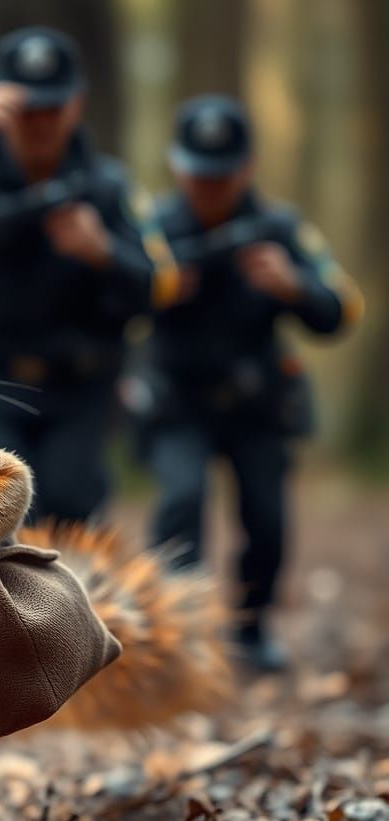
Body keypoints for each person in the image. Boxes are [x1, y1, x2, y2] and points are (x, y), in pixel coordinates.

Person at [0, 26, 175, 521]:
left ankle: (64, 602)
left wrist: (104, 252)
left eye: (51, 108)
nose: (39, 124)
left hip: (79, 390)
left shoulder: (107, 185)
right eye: (24, 110)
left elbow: (158, 287)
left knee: (71, 508)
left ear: (75, 104)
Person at [140, 95, 363, 672]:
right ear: (176, 165)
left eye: (220, 174)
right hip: (177, 400)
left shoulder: (279, 228)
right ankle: (181, 633)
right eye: (196, 173)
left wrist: (293, 286)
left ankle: (252, 629)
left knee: (266, 516)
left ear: (247, 166)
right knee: (181, 499)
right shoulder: (152, 229)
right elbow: (102, 305)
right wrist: (159, 290)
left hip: (259, 402)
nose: (208, 187)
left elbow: (342, 307)